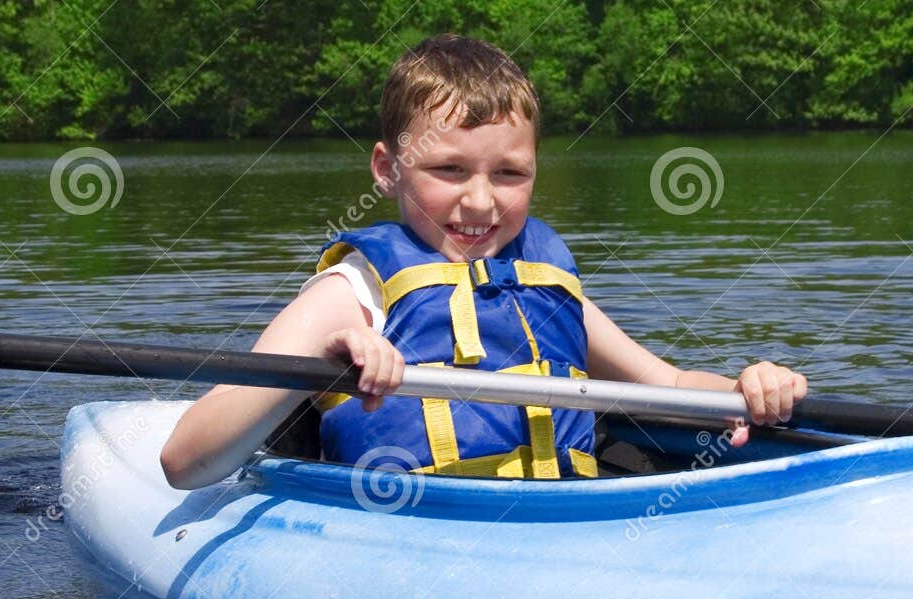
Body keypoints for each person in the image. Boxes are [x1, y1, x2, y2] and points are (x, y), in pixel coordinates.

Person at [160, 34, 808, 489]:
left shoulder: (544, 277)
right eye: (448, 169)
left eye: (509, 173)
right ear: (388, 169)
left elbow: (664, 388)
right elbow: (186, 461)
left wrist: (745, 388)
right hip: (416, 535)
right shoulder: (352, 293)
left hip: (562, 527)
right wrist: (320, 367)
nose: (479, 201)